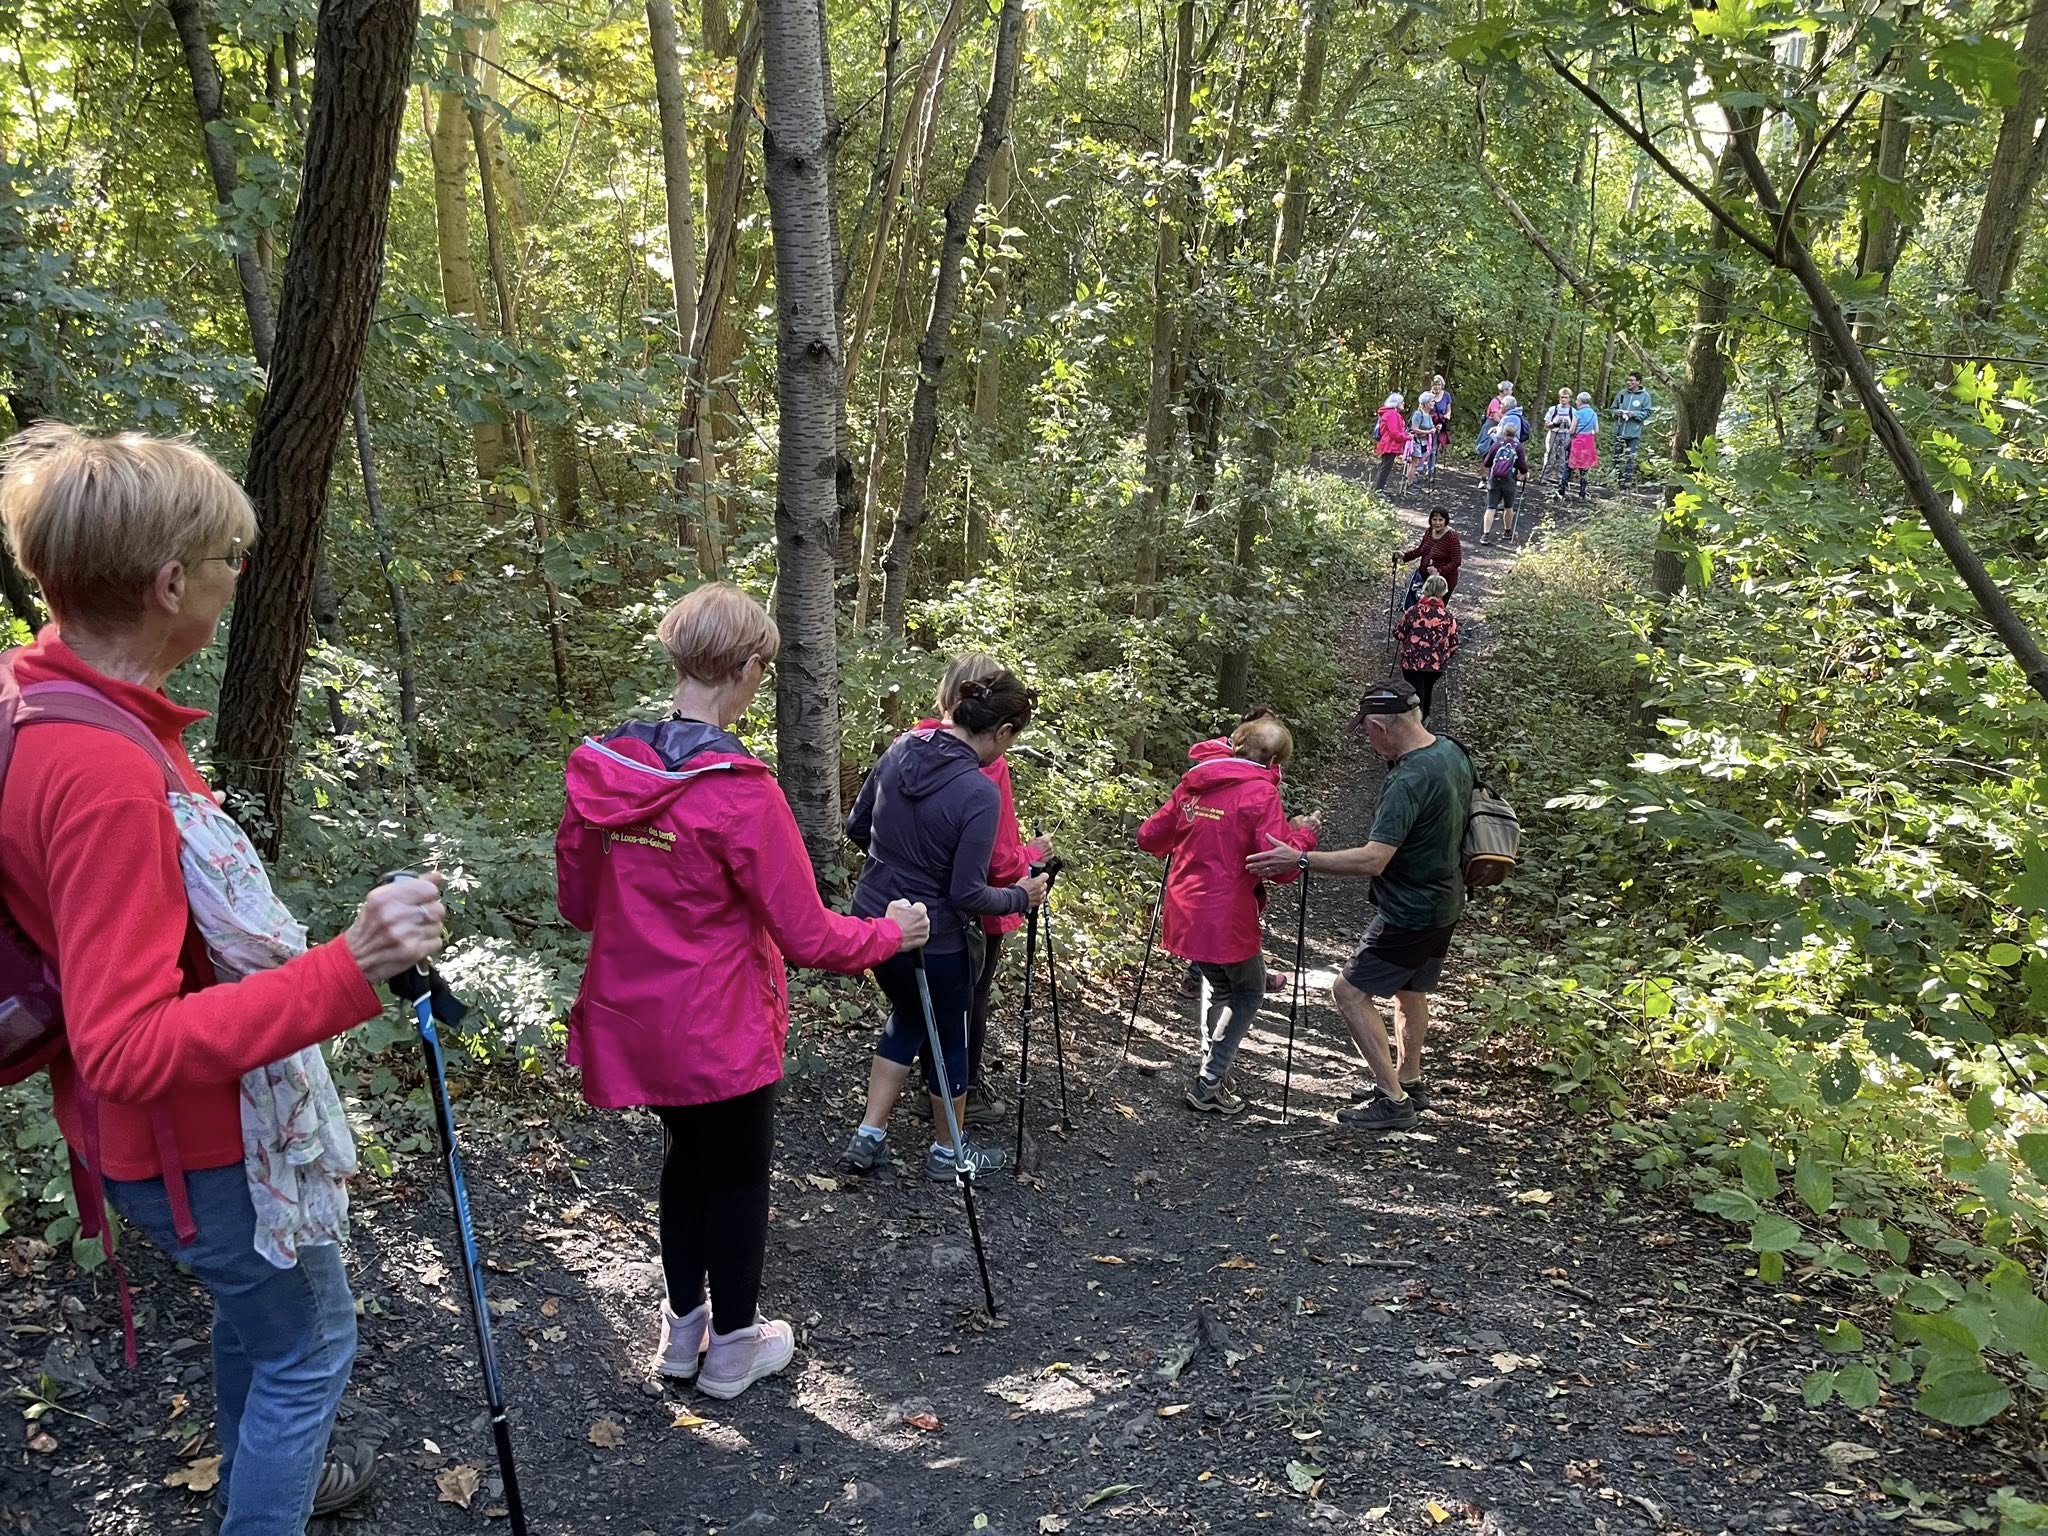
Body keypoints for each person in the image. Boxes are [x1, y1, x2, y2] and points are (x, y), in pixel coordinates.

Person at [0, 423, 450, 1535]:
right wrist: (352, 966)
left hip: (143, 1140)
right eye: (224, 562)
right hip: (189, 1143)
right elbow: (126, 1044)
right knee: (311, 1346)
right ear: (167, 585)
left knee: (264, 1323)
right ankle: (268, 1504)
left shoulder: (38, 700)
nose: (235, 580)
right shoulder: (101, 767)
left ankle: (274, 1475)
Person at [557, 583, 929, 1400]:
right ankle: (732, 1348)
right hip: (717, 1027)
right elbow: (809, 936)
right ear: (743, 667)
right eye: (763, 664)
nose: (763, 676)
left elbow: (579, 904)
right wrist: (891, 936)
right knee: (736, 1175)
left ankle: (681, 1330)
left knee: (686, 1162)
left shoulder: (605, 768)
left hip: (634, 1018)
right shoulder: (736, 788)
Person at [842, 673, 1048, 1178]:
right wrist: (1022, 894)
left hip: (875, 919)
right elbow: (967, 894)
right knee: (949, 1035)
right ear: (1001, 731)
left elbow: (857, 827)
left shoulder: (901, 748)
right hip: (935, 938)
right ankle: (948, 1152)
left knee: (909, 1017)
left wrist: (897, 869)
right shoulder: (979, 792)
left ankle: (868, 1136)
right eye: (1012, 738)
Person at [1247, 682, 1474, 1132]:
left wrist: (1302, 859)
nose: (1368, 743)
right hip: (1446, 900)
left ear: (1378, 726)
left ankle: (1393, 1102)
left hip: (1409, 911)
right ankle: (1410, 1081)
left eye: (1367, 733)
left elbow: (1375, 858)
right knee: (1411, 991)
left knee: (1348, 992)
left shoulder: (1408, 779)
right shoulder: (1451, 751)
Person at [1138, 715, 1319, 1115]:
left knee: (1221, 986)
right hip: (1227, 915)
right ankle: (1209, 1083)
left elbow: (1149, 838)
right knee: (1250, 991)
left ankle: (1213, 1067)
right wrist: (1303, 835)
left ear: (1235, 743)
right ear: (1274, 761)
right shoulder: (1260, 794)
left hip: (1185, 908)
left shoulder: (1195, 782)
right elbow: (1282, 867)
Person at [913, 653, 1052, 1127]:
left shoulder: (914, 744)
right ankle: (961, 1091)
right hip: (977, 902)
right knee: (969, 998)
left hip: (914, 897)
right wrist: (1030, 860)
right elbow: (996, 855)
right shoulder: (986, 764)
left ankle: (932, 1080)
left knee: (926, 996)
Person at [1395, 573, 1458, 721]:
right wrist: (1444, 656)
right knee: (1427, 689)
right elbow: (1454, 643)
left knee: (1416, 692)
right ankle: (1424, 719)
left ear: (1426, 589)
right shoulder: (1448, 616)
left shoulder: (1413, 611)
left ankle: (1414, 722)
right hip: (1435, 665)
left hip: (1412, 662)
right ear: (1444, 592)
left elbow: (1399, 634)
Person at [1395, 506, 1462, 606]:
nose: (1437, 523)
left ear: (1446, 521)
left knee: (1435, 610)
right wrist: (1404, 556)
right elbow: (1421, 550)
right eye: (1434, 519)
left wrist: (1439, 571)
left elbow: (1456, 561)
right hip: (1425, 577)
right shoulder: (1430, 531)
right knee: (1419, 606)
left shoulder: (1451, 536)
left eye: (1440, 520)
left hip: (1442, 582)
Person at [1480, 418, 1527, 546]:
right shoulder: (1518, 447)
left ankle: (1485, 535)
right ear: (1515, 433)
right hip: (1509, 480)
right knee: (1508, 506)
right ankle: (1507, 532)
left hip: (1494, 479)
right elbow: (1523, 467)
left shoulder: (1496, 444)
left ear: (1503, 432)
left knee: (1491, 507)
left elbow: (1487, 463)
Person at [1611, 371, 1653, 487]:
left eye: (1632, 381)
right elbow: (1612, 409)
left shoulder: (1645, 396)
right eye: (1628, 380)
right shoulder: (1622, 394)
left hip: (1633, 431)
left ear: (1638, 382)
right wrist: (1617, 413)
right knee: (1617, 455)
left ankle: (1627, 481)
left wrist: (1633, 414)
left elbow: (1647, 412)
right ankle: (1616, 480)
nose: (1629, 382)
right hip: (1620, 430)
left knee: (1631, 457)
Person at [1561, 391, 1599, 499]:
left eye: (1577, 400)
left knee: (1570, 466)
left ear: (1580, 402)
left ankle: (1562, 490)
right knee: (1585, 468)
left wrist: (1568, 429)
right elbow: (1596, 430)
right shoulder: (1593, 413)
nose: (1576, 403)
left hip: (1578, 442)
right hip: (1588, 442)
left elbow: (1572, 430)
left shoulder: (1577, 413)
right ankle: (1582, 493)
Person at [1403, 391, 1438, 493]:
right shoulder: (1418, 414)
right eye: (1432, 401)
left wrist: (1435, 428)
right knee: (1414, 463)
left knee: (1417, 463)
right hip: (1416, 441)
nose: (1434, 403)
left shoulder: (1428, 414)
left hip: (1423, 441)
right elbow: (1414, 429)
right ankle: (1408, 484)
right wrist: (1428, 432)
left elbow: (1431, 426)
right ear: (1426, 403)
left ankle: (1411, 482)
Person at [1373, 393, 1410, 491]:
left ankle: (1378, 489)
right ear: (1396, 403)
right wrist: (1407, 437)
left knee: (1384, 468)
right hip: (1389, 445)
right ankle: (1378, 491)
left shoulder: (1390, 413)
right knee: (1385, 469)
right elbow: (1394, 433)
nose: (1403, 403)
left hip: (1388, 444)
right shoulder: (1392, 414)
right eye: (1401, 402)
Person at [1542, 388, 1574, 473]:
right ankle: (1545, 476)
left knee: (1563, 457)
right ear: (1559, 398)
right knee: (1550, 455)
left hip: (1566, 434)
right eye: (1562, 397)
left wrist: (1568, 425)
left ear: (1569, 398)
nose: (1563, 399)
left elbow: (1574, 428)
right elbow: (1546, 426)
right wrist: (1555, 423)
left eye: (1566, 397)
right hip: (1553, 433)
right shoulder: (1553, 409)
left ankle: (1561, 479)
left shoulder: (1573, 411)